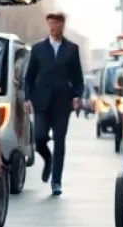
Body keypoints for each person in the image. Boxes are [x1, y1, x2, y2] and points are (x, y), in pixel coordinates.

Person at [24, 11, 84, 196]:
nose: (52, 26)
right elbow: (29, 77)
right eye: (50, 23)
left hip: (62, 103)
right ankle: (48, 160)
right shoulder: (38, 49)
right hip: (41, 102)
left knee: (59, 142)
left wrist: (76, 96)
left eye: (56, 23)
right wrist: (27, 98)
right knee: (39, 138)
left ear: (62, 25)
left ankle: (56, 181)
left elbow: (78, 77)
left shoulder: (72, 49)